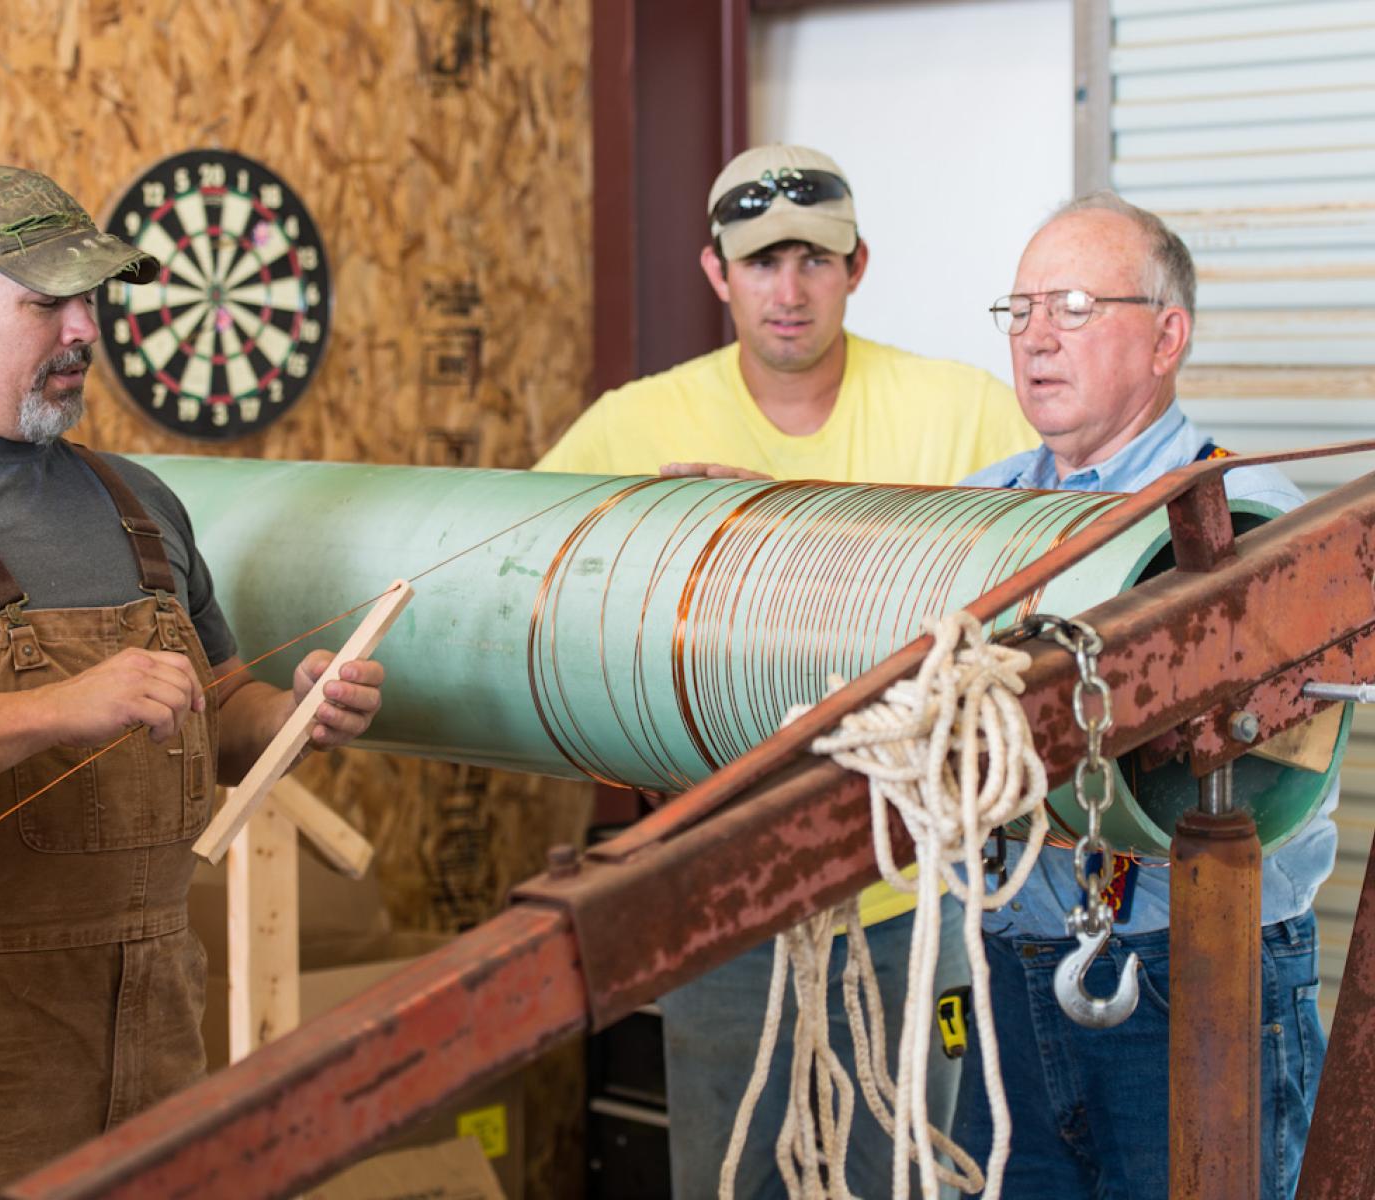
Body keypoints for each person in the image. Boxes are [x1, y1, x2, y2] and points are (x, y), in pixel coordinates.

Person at [0, 163, 386, 1200]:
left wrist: (296, 714)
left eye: (91, 299)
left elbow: (223, 706)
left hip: (154, 1045)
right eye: (47, 301)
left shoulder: (140, 502)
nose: (85, 331)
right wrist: (54, 708)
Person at [538, 143, 1035, 1199]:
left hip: (912, 889)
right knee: (731, 1180)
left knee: (912, 1177)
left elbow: (1055, 600)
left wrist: (782, 535)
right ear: (715, 272)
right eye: (760, 262)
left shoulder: (967, 412)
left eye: (814, 259)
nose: (789, 289)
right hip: (721, 887)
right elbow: (520, 576)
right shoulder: (634, 426)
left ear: (859, 266)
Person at [953, 191, 1327, 1200]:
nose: (1035, 336)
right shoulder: (972, 512)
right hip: (1007, 974)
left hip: (1185, 978)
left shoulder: (1246, 524)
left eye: (1073, 307)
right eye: (1019, 309)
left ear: (1167, 336)